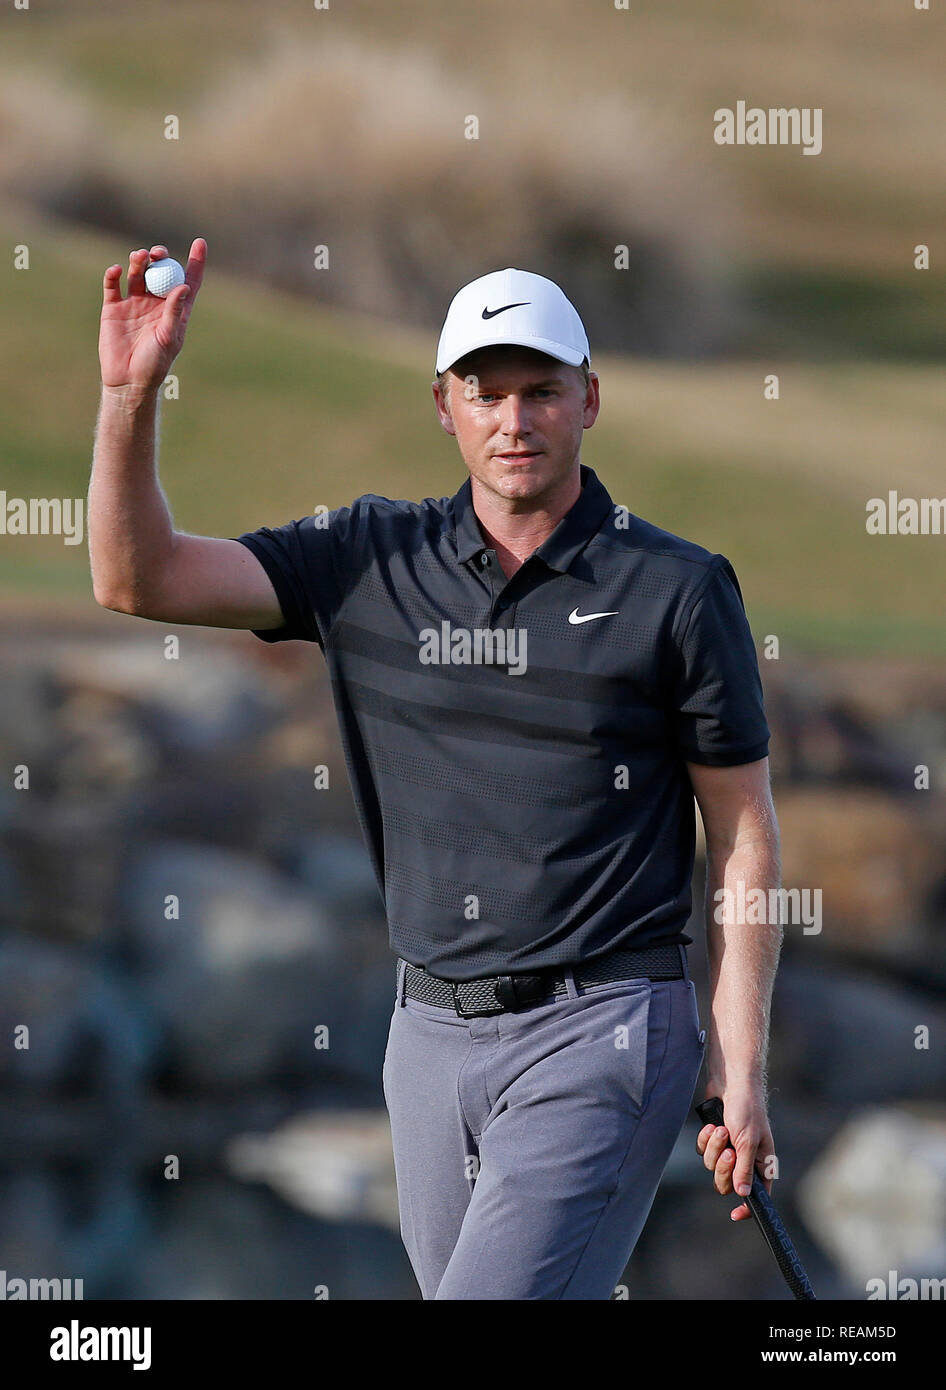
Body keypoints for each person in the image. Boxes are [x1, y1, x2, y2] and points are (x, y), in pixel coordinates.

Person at [91, 241, 783, 1300]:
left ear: (589, 399)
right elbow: (136, 578)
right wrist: (129, 397)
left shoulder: (676, 589)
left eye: (541, 390)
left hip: (603, 1027)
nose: (514, 419)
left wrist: (738, 1059)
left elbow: (740, 830)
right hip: (426, 1039)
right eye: (486, 391)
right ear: (442, 405)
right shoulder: (365, 557)